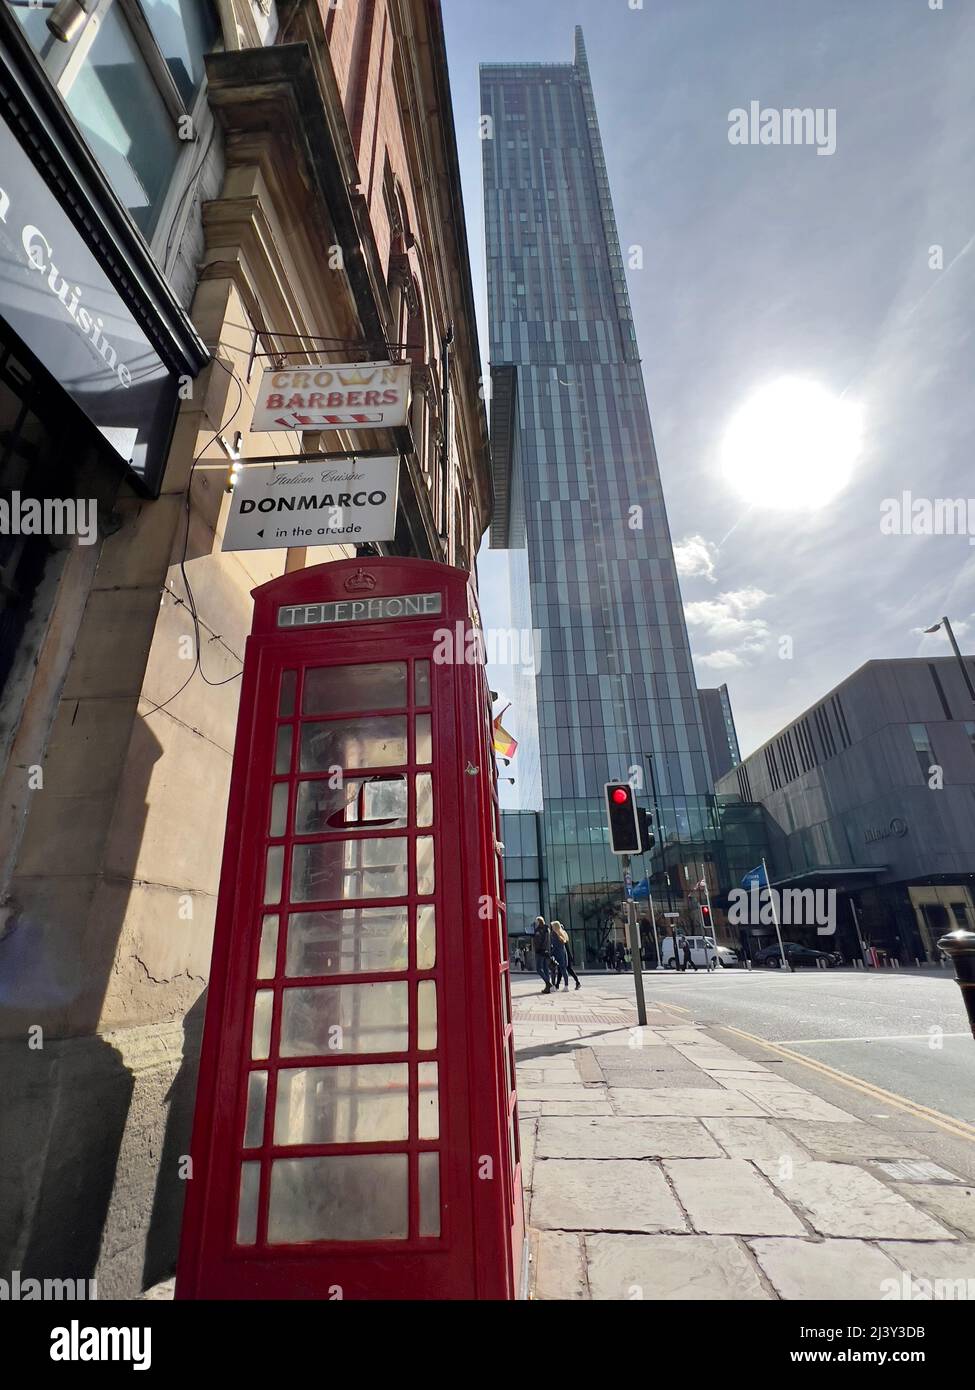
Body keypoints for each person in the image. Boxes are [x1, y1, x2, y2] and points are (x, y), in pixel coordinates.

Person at [550, 920, 581, 990]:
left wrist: (551, 954)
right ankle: (565, 985)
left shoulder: (554, 934)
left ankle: (555, 986)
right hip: (564, 953)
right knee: (563, 970)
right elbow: (565, 946)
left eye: (552, 926)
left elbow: (554, 946)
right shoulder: (563, 934)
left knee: (554, 970)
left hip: (557, 953)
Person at [532, 916, 553, 993]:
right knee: (545, 968)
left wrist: (538, 949)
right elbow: (547, 941)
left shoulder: (539, 930)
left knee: (539, 969)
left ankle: (548, 983)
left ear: (539, 922)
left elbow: (539, 941)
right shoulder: (547, 929)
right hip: (546, 951)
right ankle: (547, 988)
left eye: (536, 922)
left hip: (540, 951)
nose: (535, 923)